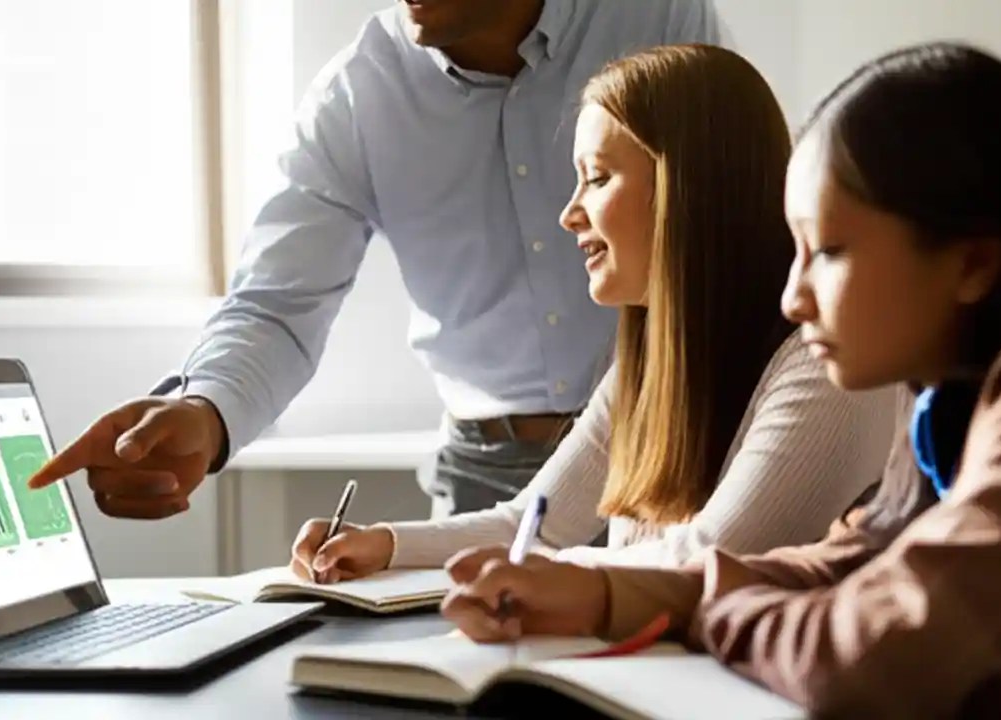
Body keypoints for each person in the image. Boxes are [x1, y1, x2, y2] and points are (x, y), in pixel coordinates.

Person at [440, 42, 1001, 719]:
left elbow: (871, 654)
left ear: (973, 263)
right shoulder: (944, 392)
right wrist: (605, 598)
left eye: (829, 251)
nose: (793, 298)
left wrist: (704, 609)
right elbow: (851, 562)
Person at [26, 0, 733, 520]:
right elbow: (277, 304)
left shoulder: (660, 20)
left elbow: (727, 230)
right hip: (482, 479)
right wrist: (204, 410)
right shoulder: (357, 93)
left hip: (666, 446)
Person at [287, 44, 897, 585]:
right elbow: (532, 526)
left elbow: (709, 560)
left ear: (688, 187)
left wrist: (527, 572)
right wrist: (385, 544)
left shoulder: (822, 368)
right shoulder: (649, 362)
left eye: (597, 178)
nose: (569, 214)